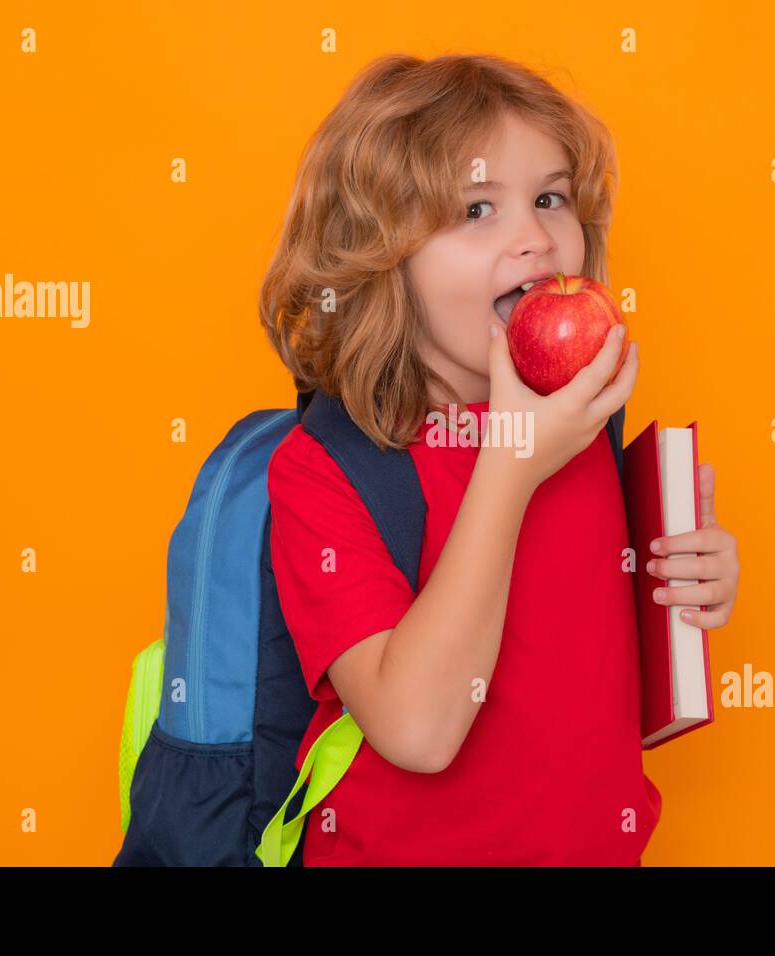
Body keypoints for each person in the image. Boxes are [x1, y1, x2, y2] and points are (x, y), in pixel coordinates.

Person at [259, 53, 741, 865]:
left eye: (550, 198)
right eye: (477, 209)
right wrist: (511, 467)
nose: (535, 237)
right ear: (381, 259)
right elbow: (419, 730)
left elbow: (573, 648)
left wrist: (692, 577)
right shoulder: (323, 470)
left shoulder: (583, 424)